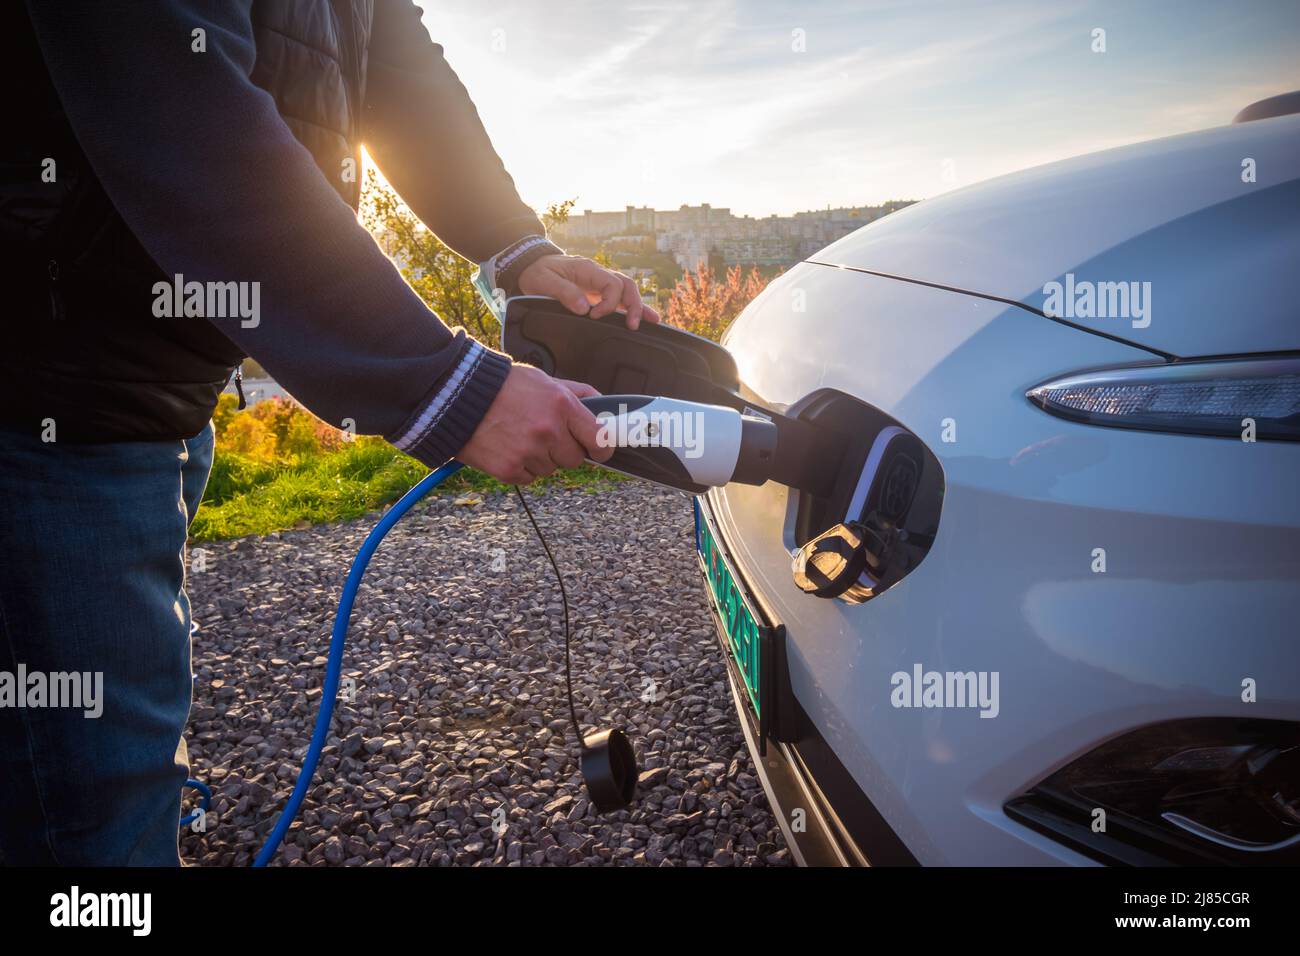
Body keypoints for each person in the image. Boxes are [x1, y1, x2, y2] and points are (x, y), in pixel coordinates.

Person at [0, 0, 657, 865]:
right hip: (44, 391)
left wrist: (515, 245)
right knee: (87, 810)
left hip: (152, 387)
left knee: (119, 740)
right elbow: (182, 104)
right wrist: (443, 386)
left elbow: (396, 68)